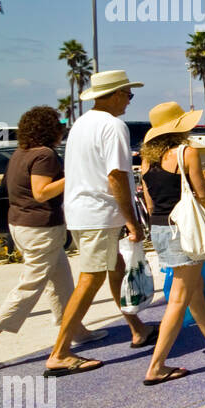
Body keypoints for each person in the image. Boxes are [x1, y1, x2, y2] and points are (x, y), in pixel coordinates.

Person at [0, 106, 107, 371]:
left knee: (61, 281)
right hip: (40, 229)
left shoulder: (20, 153)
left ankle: (76, 330)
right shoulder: (44, 155)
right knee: (29, 287)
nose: (63, 129)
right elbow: (42, 193)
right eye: (59, 124)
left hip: (21, 225)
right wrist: (75, 176)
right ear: (50, 129)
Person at [45, 70, 157, 376]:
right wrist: (132, 221)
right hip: (98, 214)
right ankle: (60, 352)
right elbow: (116, 176)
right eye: (128, 95)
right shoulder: (113, 126)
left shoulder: (81, 124)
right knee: (90, 278)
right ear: (116, 94)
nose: (129, 102)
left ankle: (137, 328)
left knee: (115, 268)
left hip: (81, 211)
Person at [138, 101, 205, 385]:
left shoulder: (147, 160)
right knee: (179, 298)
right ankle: (156, 366)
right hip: (183, 230)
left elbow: (148, 200)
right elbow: (203, 195)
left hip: (160, 228)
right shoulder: (186, 152)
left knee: (193, 288)